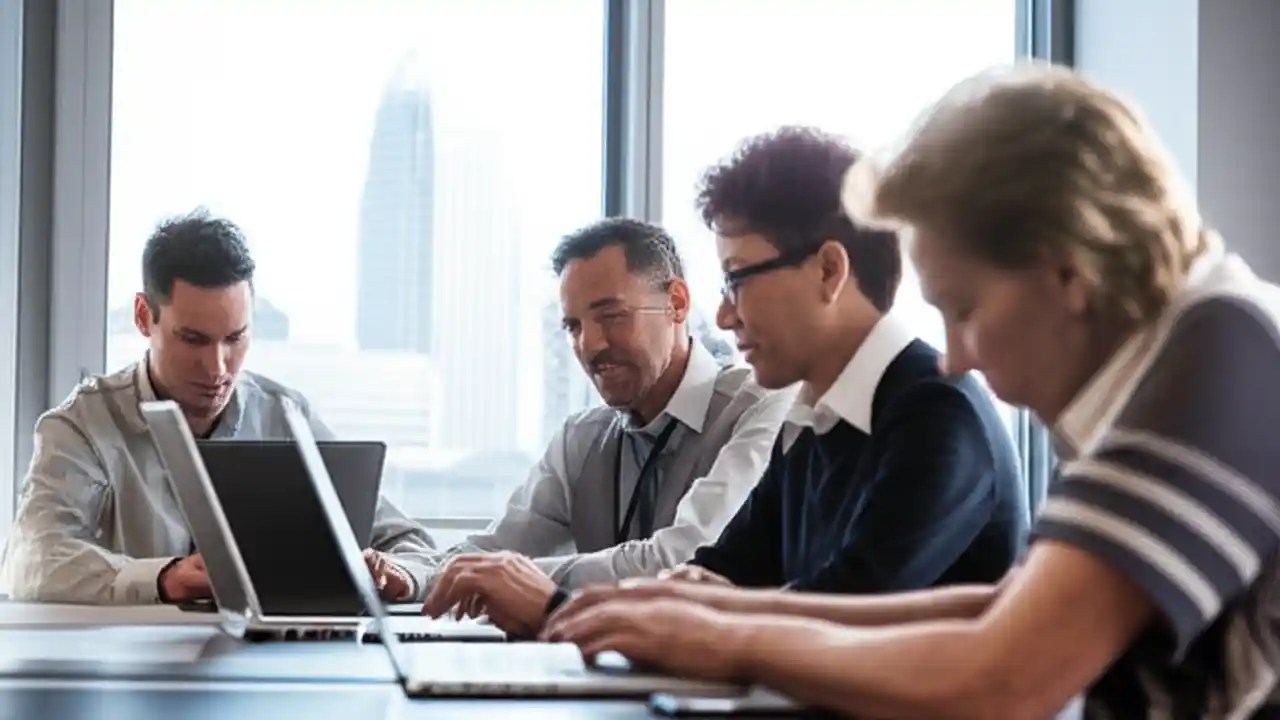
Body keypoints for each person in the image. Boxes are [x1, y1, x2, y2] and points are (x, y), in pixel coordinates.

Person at [543, 65, 1280, 718]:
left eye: (965, 310)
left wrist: (728, 634)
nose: (955, 356)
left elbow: (1009, 678)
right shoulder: (1196, 349)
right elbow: (1006, 609)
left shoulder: (1223, 353)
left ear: (1065, 271)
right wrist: (711, 615)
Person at [0, 210, 436, 605]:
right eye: (193, 339)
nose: (217, 368)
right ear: (142, 316)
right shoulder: (82, 425)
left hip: (271, 668)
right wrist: (166, 578)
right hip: (131, 671)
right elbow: (31, 560)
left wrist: (401, 576)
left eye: (235, 338)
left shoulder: (285, 416)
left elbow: (414, 544)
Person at [658, 126, 1026, 593]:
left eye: (737, 280)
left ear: (829, 271)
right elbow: (729, 569)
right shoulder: (813, 422)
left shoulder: (936, 414)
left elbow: (851, 605)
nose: (725, 316)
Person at [421, 218, 790, 636]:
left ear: (677, 303)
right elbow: (494, 549)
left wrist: (518, 581)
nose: (589, 345)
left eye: (611, 316)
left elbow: (682, 558)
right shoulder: (582, 437)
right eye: (573, 326)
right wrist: (408, 576)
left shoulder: (762, 407)